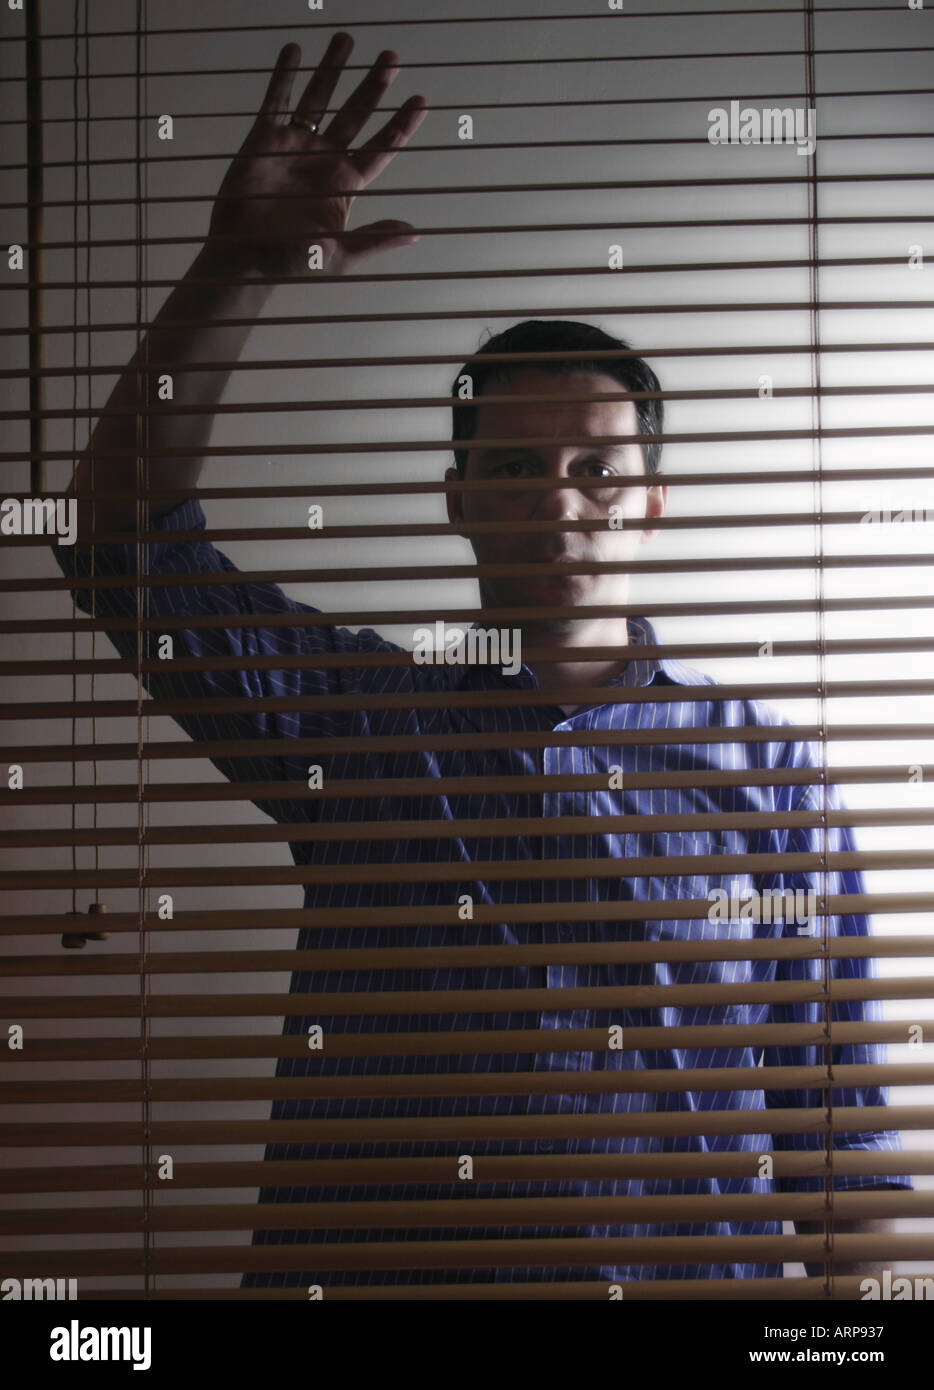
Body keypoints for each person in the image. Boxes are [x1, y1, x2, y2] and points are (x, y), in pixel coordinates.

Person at [53, 34, 911, 1291]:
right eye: (512, 468)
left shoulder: (774, 776)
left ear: (652, 504)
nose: (559, 503)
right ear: (455, 498)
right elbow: (117, 540)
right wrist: (231, 273)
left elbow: (840, 1151)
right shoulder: (356, 721)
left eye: (596, 470)